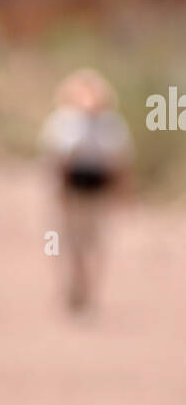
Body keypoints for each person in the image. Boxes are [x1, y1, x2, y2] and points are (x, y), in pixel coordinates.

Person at [40, 69, 133, 312]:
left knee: (96, 242)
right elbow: (54, 160)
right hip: (72, 190)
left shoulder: (111, 125)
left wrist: (122, 194)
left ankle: (89, 290)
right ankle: (74, 284)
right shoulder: (62, 122)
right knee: (69, 241)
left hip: (98, 191)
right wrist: (56, 191)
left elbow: (120, 163)